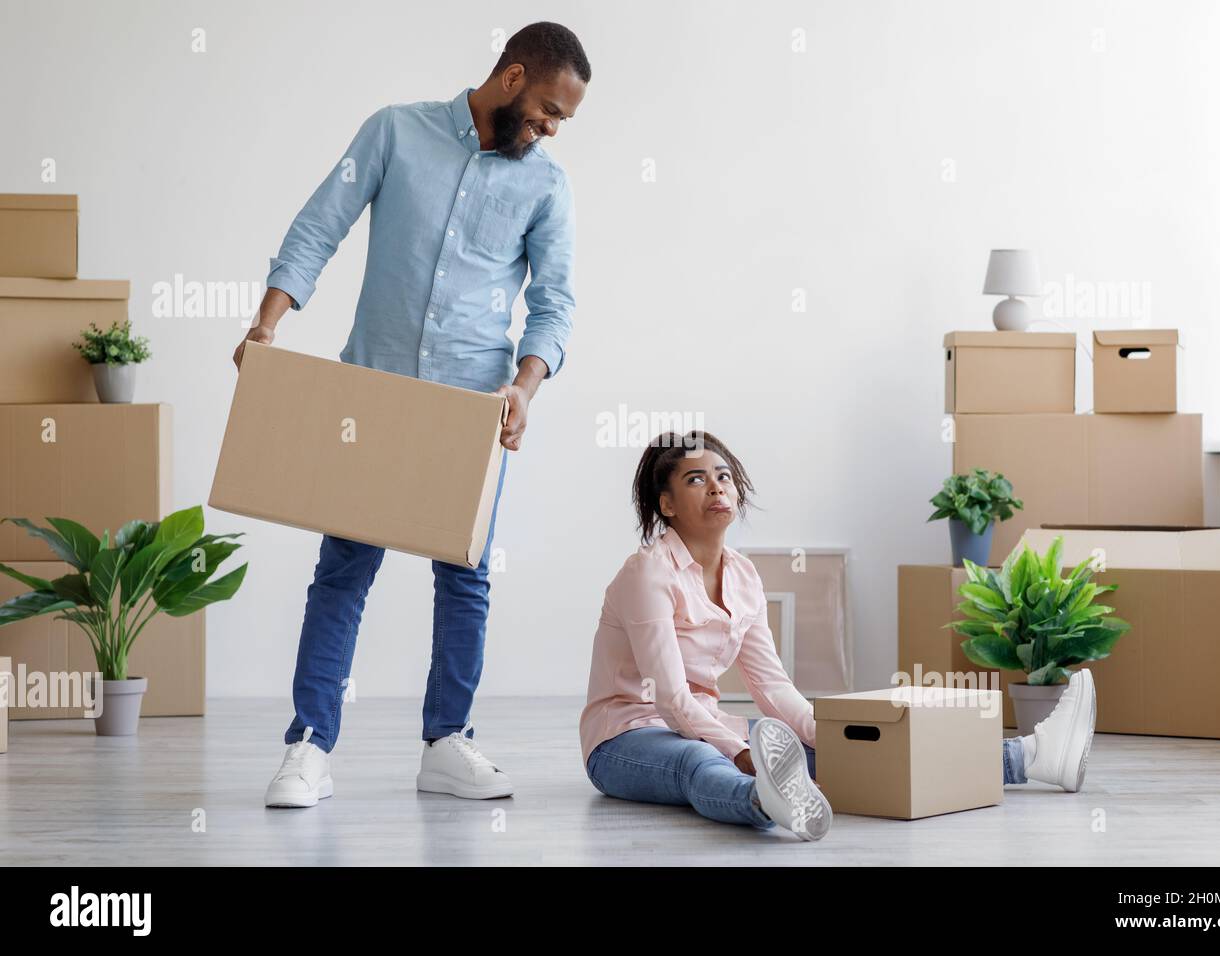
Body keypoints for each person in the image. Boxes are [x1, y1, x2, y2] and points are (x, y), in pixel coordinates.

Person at [231, 22, 590, 809]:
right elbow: (320, 222)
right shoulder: (395, 130)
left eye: (561, 121)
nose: (551, 130)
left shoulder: (546, 184)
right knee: (342, 574)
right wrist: (268, 324)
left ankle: (446, 742)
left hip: (471, 409)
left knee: (465, 580)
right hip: (373, 396)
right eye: (547, 111)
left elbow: (554, 302)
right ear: (512, 75)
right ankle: (308, 747)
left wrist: (525, 387)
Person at [579, 431, 1099, 840]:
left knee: (852, 749)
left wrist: (833, 736)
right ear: (666, 505)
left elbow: (774, 690)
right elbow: (671, 701)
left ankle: (1030, 757)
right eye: (696, 479)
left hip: (705, 722)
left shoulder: (743, 576)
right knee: (701, 759)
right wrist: (741, 754)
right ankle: (765, 801)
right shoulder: (646, 574)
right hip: (625, 738)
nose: (717, 486)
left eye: (723, 476)